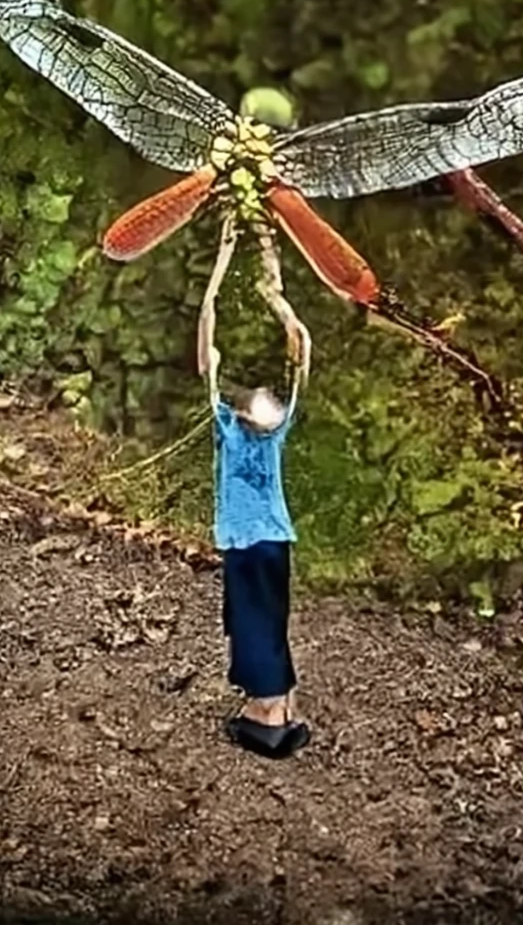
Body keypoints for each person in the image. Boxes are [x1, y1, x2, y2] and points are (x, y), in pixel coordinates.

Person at [197, 225, 312, 759]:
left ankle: (268, 709)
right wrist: (229, 271)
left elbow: (298, 350)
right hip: (271, 540)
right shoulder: (238, 424)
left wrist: (265, 286)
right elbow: (211, 356)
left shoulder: (242, 427)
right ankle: (279, 705)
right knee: (262, 616)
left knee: (251, 619)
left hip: (248, 541)